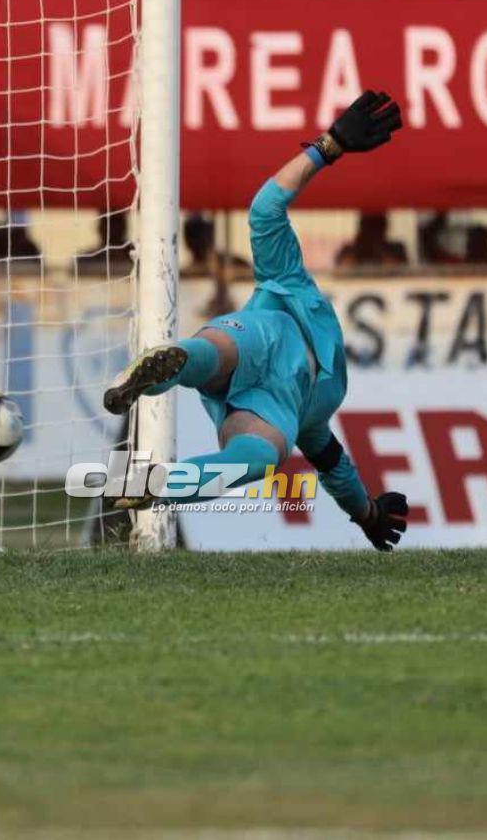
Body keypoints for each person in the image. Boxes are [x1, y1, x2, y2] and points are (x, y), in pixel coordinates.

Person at [102, 90, 409, 551]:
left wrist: (367, 513)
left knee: (260, 449)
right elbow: (265, 209)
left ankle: (159, 458)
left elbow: (336, 468)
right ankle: (170, 374)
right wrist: (329, 145)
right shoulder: (289, 283)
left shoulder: (315, 416)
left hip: (260, 386)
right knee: (242, 391)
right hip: (261, 357)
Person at [335, 211, 408, 269]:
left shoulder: (397, 249)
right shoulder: (349, 249)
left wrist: (380, 249)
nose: (373, 233)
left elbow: (399, 270)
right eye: (368, 227)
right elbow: (342, 268)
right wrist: (358, 249)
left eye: (377, 228)